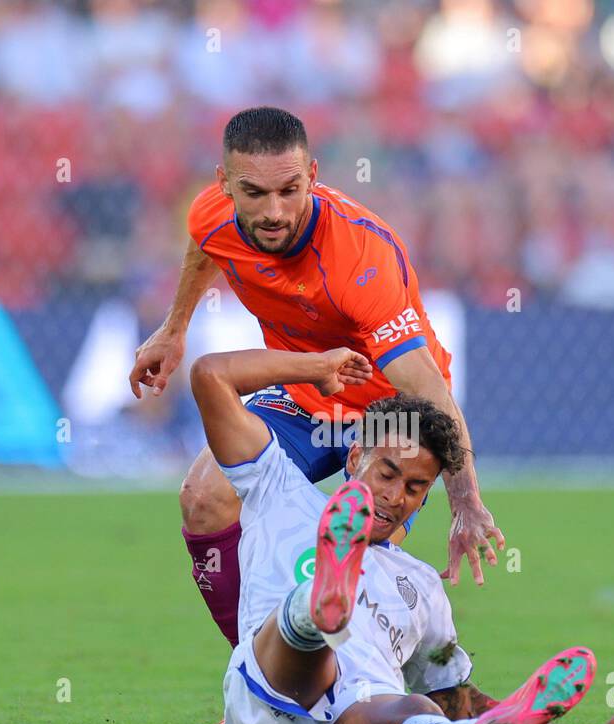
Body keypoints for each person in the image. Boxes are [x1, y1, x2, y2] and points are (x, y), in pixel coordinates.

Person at [128, 107, 502, 659]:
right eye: (253, 193)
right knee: (204, 498)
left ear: (313, 176)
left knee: (359, 548)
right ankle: (258, 675)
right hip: (306, 398)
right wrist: (173, 328)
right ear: (224, 184)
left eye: (290, 190)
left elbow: (428, 392)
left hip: (387, 409)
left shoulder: (359, 258)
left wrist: (466, 502)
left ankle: (363, 695)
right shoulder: (211, 215)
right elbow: (206, 246)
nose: (274, 211)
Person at [191, 343, 614, 724]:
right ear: (355, 457)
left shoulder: (421, 586)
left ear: (426, 496)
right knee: (307, 637)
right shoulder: (279, 489)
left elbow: (458, 698)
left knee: (423, 712)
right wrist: (316, 367)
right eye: (386, 474)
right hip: (270, 689)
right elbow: (210, 375)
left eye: (415, 487)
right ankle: (318, 604)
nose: (395, 496)